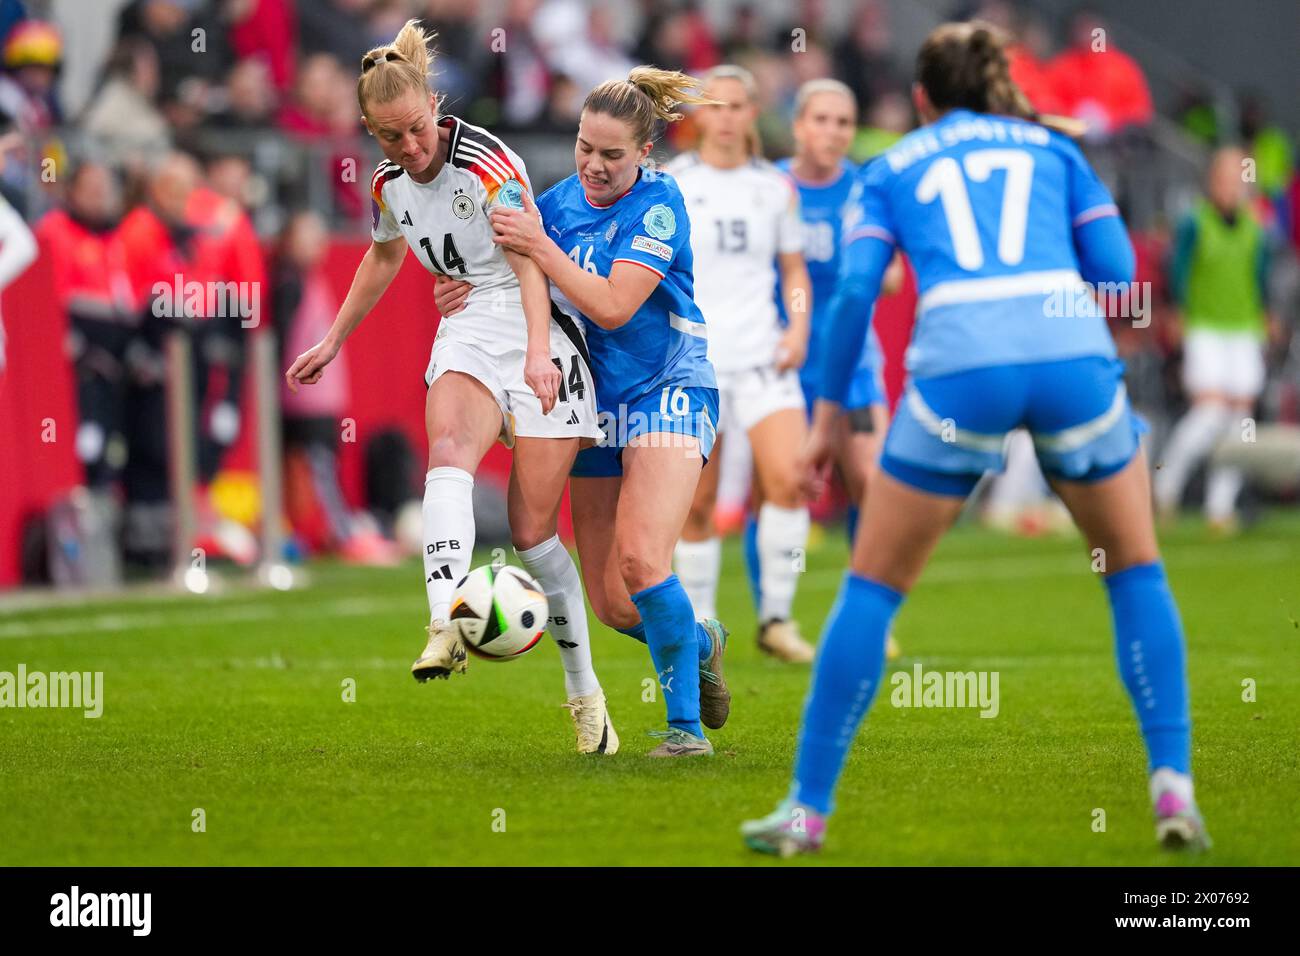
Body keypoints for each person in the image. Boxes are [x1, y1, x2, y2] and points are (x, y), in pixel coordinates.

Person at [742, 21, 1207, 855]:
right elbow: (1117, 277)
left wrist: (824, 422)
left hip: (961, 368)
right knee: (1135, 571)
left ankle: (806, 813)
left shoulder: (889, 168)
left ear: (921, 98)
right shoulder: (1054, 152)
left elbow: (851, 296)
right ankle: (1173, 787)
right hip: (1069, 357)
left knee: (873, 587)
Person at [284, 20, 618, 756]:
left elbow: (530, 257)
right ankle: (444, 622)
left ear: (434, 105)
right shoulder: (387, 183)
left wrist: (538, 352)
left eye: (415, 129)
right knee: (448, 452)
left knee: (533, 535)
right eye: (389, 137)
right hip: (465, 323)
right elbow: (381, 256)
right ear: (370, 134)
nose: (409, 147)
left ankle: (584, 691)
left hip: (533, 319)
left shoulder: (487, 161)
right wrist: (333, 339)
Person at [436, 67, 731, 757]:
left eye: (612, 155)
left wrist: (537, 246)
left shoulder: (659, 207)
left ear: (645, 154)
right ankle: (704, 642)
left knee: (640, 558)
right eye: (584, 148)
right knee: (613, 605)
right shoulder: (555, 205)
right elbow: (505, 285)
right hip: (592, 405)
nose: (594, 166)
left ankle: (684, 731)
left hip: (668, 388)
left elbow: (612, 304)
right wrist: (458, 290)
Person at [665, 65, 817, 663]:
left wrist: (798, 325)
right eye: (716, 106)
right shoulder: (672, 183)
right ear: (698, 115)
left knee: (789, 479)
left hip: (763, 360)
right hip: (696, 363)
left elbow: (794, 270)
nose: (726, 117)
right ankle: (703, 628)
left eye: (737, 106)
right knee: (696, 503)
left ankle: (776, 617)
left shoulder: (774, 188)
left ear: (754, 113)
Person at [1153, 147, 1274, 530]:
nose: (1232, 186)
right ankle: (1164, 487)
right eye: (1225, 177)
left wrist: (1266, 314)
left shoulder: (1257, 227)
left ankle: (1220, 507)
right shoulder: (1195, 222)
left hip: (1244, 327)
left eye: (1239, 177)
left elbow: (1261, 275)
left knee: (1240, 420)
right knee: (1209, 413)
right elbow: (1179, 270)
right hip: (1205, 325)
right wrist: (1178, 311)